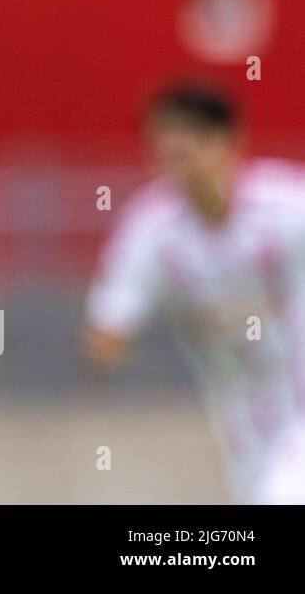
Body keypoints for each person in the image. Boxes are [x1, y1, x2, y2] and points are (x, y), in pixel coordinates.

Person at [83, 83, 305, 503]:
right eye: (164, 139)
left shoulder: (289, 207)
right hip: (244, 420)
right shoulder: (151, 232)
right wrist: (105, 348)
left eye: (191, 136)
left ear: (229, 141)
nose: (176, 148)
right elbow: (110, 323)